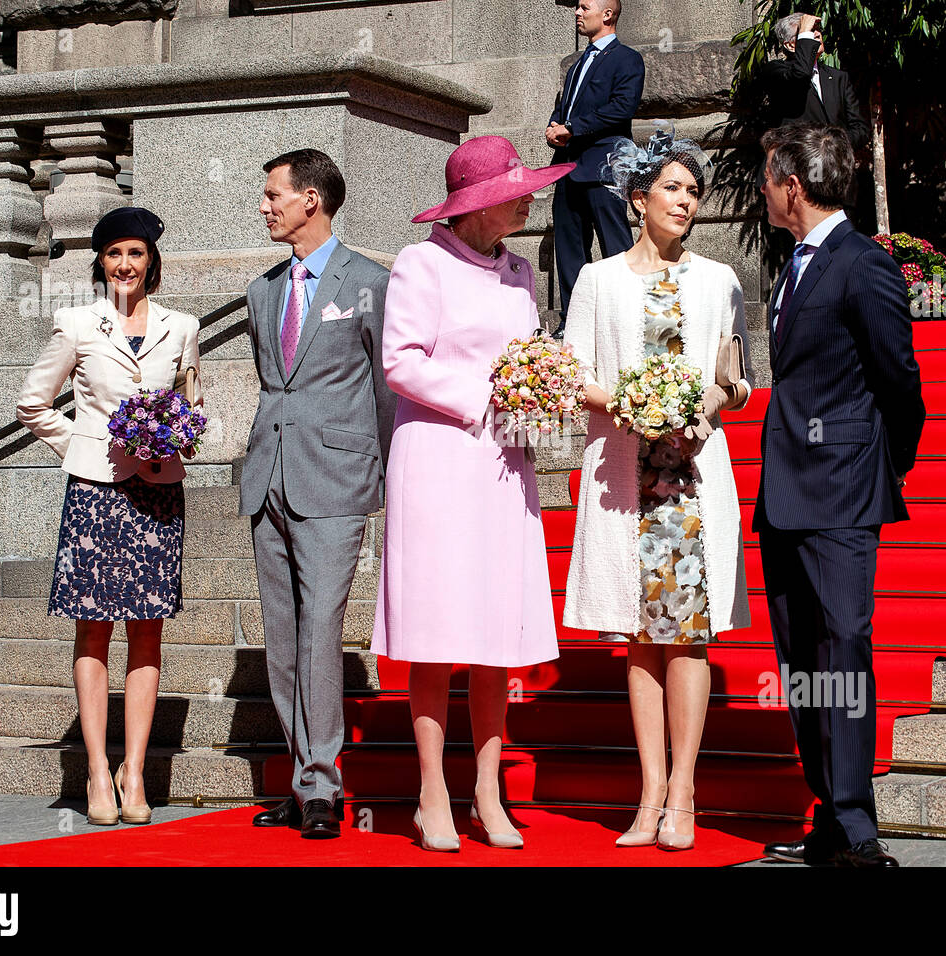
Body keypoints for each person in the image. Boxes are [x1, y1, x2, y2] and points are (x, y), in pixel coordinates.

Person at [372, 136, 570, 852]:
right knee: (435, 633)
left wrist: (540, 393)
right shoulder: (420, 262)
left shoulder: (520, 270)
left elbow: (528, 355)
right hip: (436, 460)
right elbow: (401, 361)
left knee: (494, 632)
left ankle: (488, 794)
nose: (528, 198)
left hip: (503, 465)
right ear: (476, 203)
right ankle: (432, 795)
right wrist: (485, 400)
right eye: (516, 190)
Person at [562, 124, 755, 851]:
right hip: (625, 480)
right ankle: (647, 797)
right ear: (637, 198)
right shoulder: (597, 279)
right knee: (641, 639)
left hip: (692, 482)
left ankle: (685, 795)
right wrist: (624, 403)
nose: (686, 201)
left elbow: (739, 377)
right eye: (673, 188)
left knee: (689, 639)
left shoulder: (720, 280)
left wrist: (704, 404)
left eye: (695, 191)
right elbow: (573, 371)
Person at [754, 125, 924, 867]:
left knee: (844, 648)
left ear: (794, 186)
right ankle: (827, 807)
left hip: (843, 489)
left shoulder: (864, 265)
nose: (761, 188)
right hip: (784, 491)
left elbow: (901, 381)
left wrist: (882, 466)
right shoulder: (792, 263)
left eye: (767, 177)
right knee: (800, 660)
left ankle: (857, 827)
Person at [17, 206, 202, 827]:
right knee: (93, 628)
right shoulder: (75, 323)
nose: (126, 264)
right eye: (115, 253)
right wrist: (82, 445)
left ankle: (135, 769)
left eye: (137, 253)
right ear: (100, 261)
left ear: (152, 262)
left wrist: (176, 435)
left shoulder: (182, 326)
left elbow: (192, 405)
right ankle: (98, 768)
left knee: (147, 629)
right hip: (95, 491)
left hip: (157, 493)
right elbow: (32, 403)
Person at [240, 149, 396, 840]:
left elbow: (387, 389)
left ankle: (324, 784)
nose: (265, 205)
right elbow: (276, 383)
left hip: (336, 479)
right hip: (268, 476)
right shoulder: (263, 289)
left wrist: (388, 474)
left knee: (320, 629)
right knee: (281, 638)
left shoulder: (371, 282)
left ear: (312, 200)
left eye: (275, 195)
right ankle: (303, 779)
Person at [546, 0, 645, 338]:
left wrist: (572, 128)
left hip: (603, 168)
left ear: (606, 14)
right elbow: (564, 106)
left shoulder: (627, 59)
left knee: (615, 246)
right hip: (567, 168)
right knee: (569, 249)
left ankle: (626, 319)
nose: (577, 11)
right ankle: (571, 322)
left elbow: (621, 108)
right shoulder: (577, 64)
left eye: (583, 5)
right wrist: (554, 126)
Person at [760, 13, 868, 152]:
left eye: (817, 30)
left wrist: (832, 146)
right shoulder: (777, 71)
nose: (817, 35)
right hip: (797, 162)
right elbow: (801, 74)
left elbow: (860, 129)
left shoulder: (838, 77)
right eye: (809, 32)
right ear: (790, 45)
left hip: (833, 164)